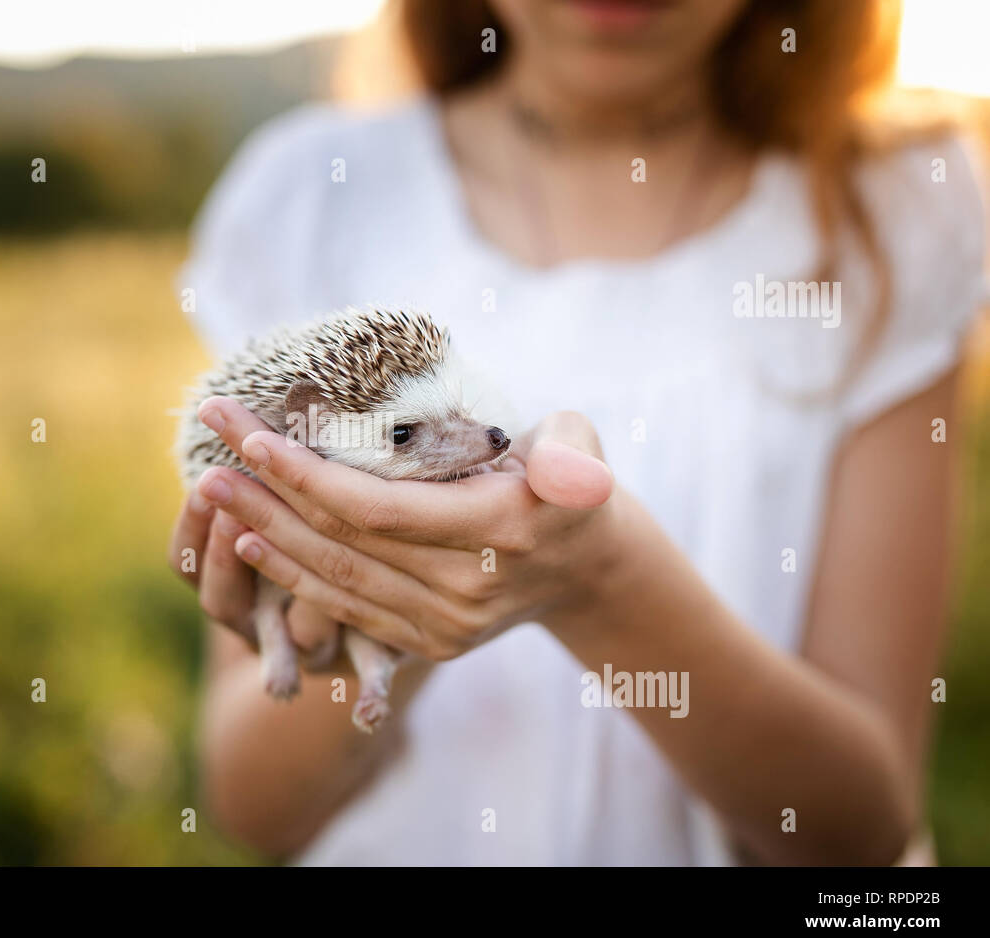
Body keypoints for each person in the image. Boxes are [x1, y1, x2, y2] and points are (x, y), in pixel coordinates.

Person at [167, 0, 987, 864]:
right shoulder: (307, 197)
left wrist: (602, 585)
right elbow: (252, 807)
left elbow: (861, 832)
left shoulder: (894, 209)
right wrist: (389, 611)